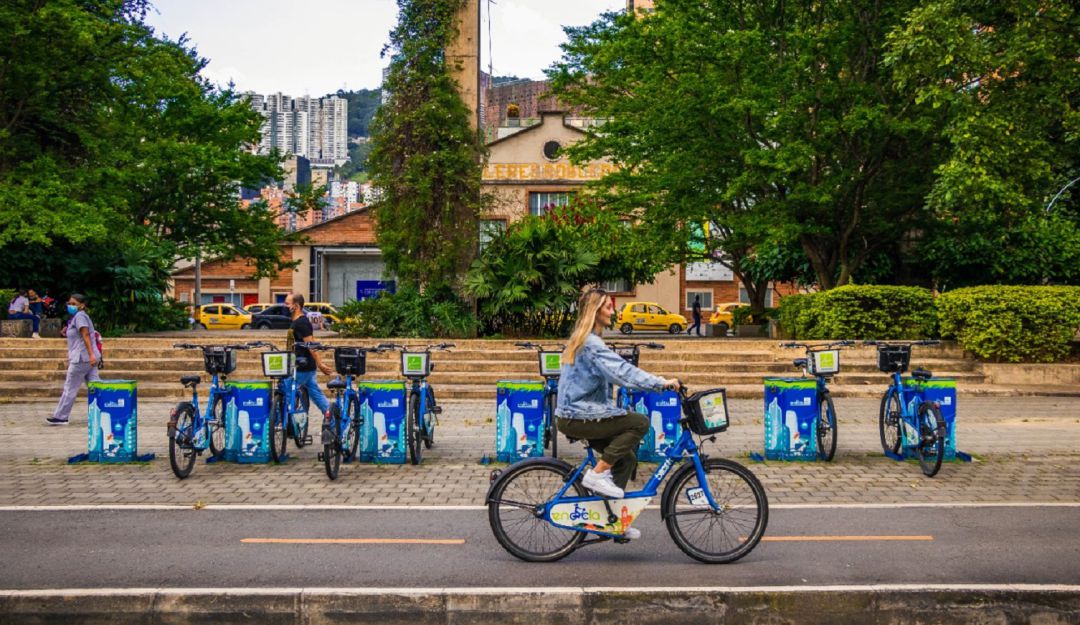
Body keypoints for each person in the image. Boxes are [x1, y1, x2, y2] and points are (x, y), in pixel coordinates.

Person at [555, 288, 680, 540]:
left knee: (627, 459)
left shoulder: (584, 339)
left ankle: (610, 521)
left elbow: (615, 371)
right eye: (609, 307)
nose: (613, 311)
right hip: (578, 415)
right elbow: (622, 372)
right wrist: (661, 383)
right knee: (639, 423)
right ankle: (598, 473)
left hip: (578, 413)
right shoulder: (590, 343)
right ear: (596, 310)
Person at [47, 294, 101, 425]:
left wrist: (91, 355)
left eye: (73, 303)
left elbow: (85, 335)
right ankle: (106, 410)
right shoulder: (77, 317)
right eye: (69, 303)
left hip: (82, 358)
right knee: (96, 386)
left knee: (70, 387)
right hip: (87, 358)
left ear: (82, 305)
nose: (70, 305)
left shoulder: (80, 316)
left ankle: (61, 416)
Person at [285, 293, 332, 424]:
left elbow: (311, 344)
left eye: (287, 303)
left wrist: (320, 363)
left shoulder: (302, 322)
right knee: (316, 394)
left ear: (296, 306)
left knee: (286, 386)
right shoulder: (296, 321)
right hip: (303, 365)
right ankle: (331, 417)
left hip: (303, 365)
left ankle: (289, 421)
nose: (285, 306)